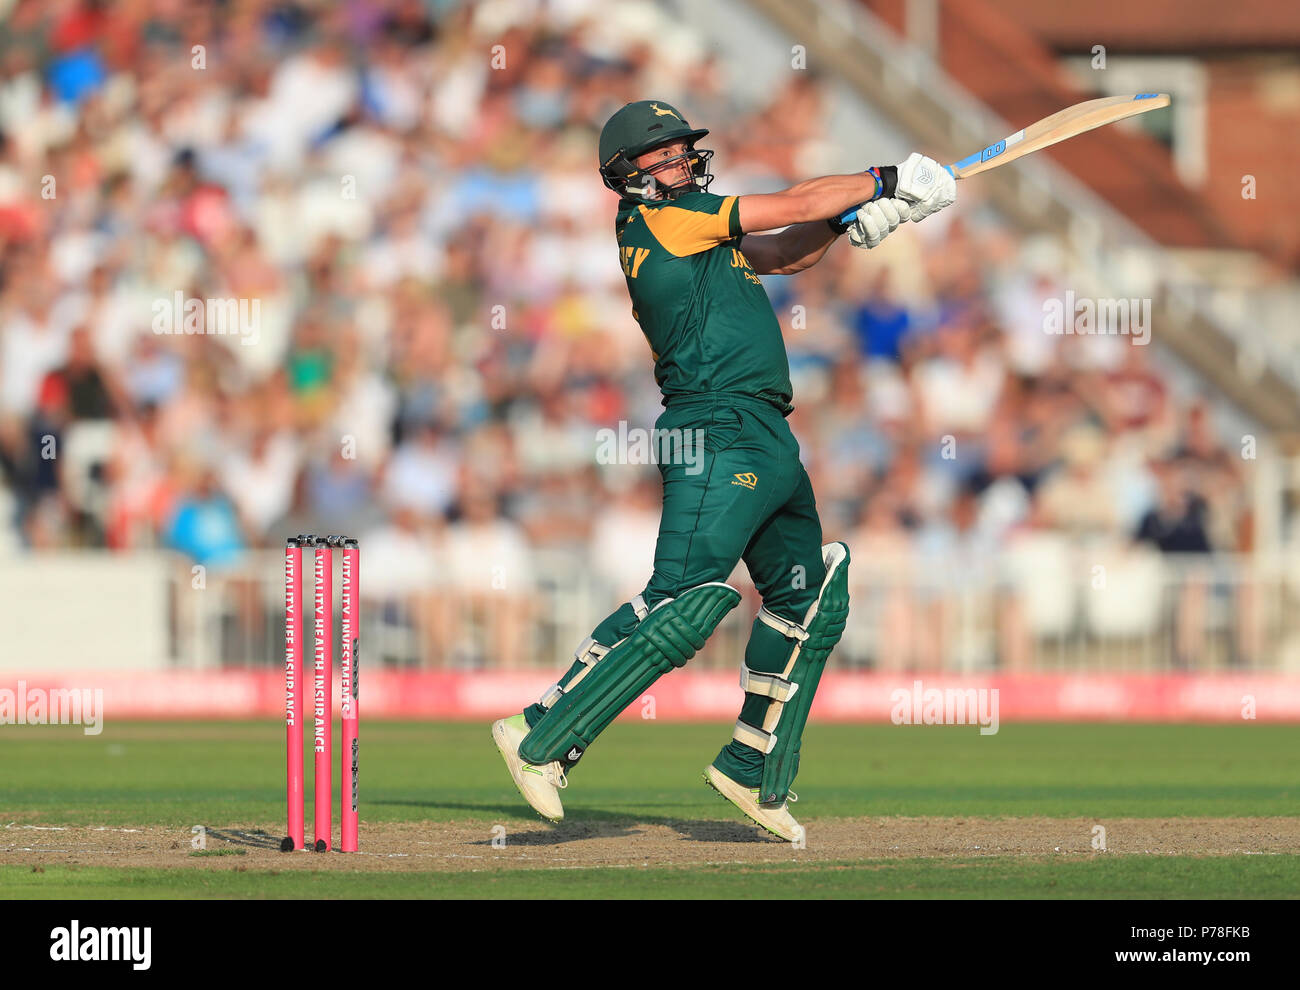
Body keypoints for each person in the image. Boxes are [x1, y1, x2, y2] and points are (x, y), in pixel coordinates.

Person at [492, 100, 956, 840]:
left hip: (766, 432)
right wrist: (887, 177)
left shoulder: (697, 232)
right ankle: (540, 732)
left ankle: (750, 767)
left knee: (810, 602)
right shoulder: (667, 220)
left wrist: (851, 222)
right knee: (685, 601)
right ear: (627, 173)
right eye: (664, 153)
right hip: (715, 430)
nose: (681, 160)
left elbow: (783, 251)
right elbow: (797, 201)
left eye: (683, 149)